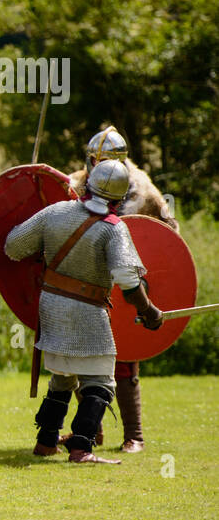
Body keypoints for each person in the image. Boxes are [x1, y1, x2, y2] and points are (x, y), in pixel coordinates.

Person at [5, 159, 163, 465]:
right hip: (88, 310)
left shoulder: (55, 212)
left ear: (87, 186)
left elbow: (13, 246)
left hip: (50, 306)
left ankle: (47, 440)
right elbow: (128, 280)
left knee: (63, 374)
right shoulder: (113, 229)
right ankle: (81, 447)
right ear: (119, 199)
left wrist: (48, 250)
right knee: (102, 381)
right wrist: (149, 310)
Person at [66, 127, 176, 453]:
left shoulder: (144, 193)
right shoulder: (74, 185)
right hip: (87, 282)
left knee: (125, 360)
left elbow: (168, 237)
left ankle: (135, 435)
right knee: (78, 357)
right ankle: (91, 429)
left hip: (129, 286)